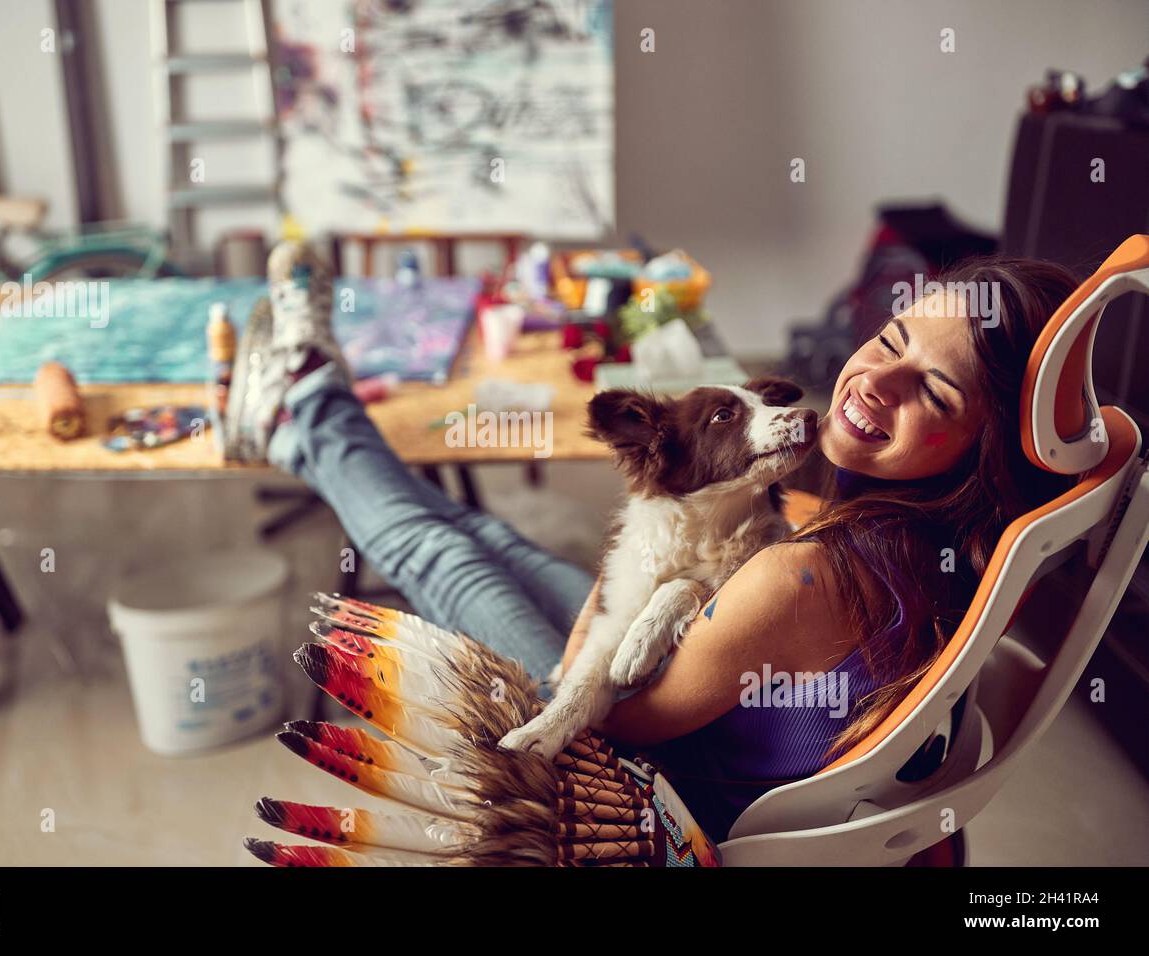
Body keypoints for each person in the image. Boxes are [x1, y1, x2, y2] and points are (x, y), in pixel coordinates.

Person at [224, 242, 1079, 839]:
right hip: (715, 676)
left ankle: (306, 403)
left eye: (931, 389)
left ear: (989, 447)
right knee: (495, 538)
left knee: (440, 554)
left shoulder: (806, 578)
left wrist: (618, 589)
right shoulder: (929, 536)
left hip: (642, 766)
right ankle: (301, 409)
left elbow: (624, 714)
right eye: (891, 339)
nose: (876, 379)